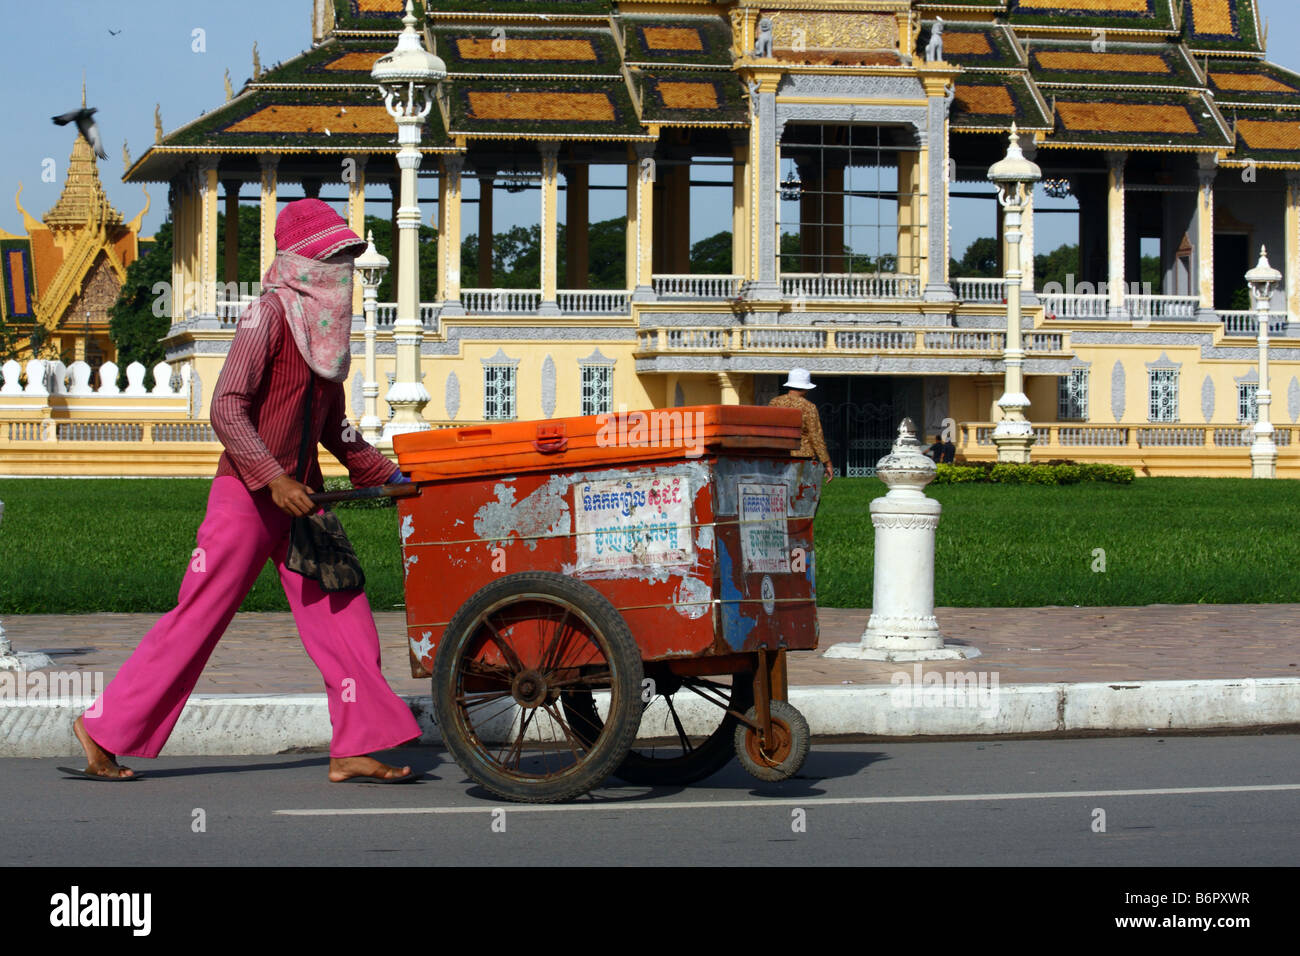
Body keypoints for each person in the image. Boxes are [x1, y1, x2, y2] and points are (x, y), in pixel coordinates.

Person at [70, 199, 421, 783]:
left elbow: (335, 426)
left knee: (346, 615)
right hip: (247, 497)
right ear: (299, 261)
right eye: (335, 257)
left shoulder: (325, 337)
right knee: (199, 617)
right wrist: (272, 477)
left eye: (349, 259)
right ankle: (102, 728)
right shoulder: (266, 316)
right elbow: (226, 406)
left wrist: (388, 476)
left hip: (303, 501)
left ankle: (354, 746)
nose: (344, 272)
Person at [768, 368, 834, 482]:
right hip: (802, 458)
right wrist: (827, 462)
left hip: (778, 455)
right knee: (802, 495)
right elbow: (816, 437)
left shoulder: (774, 402)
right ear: (805, 388)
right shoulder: (808, 407)